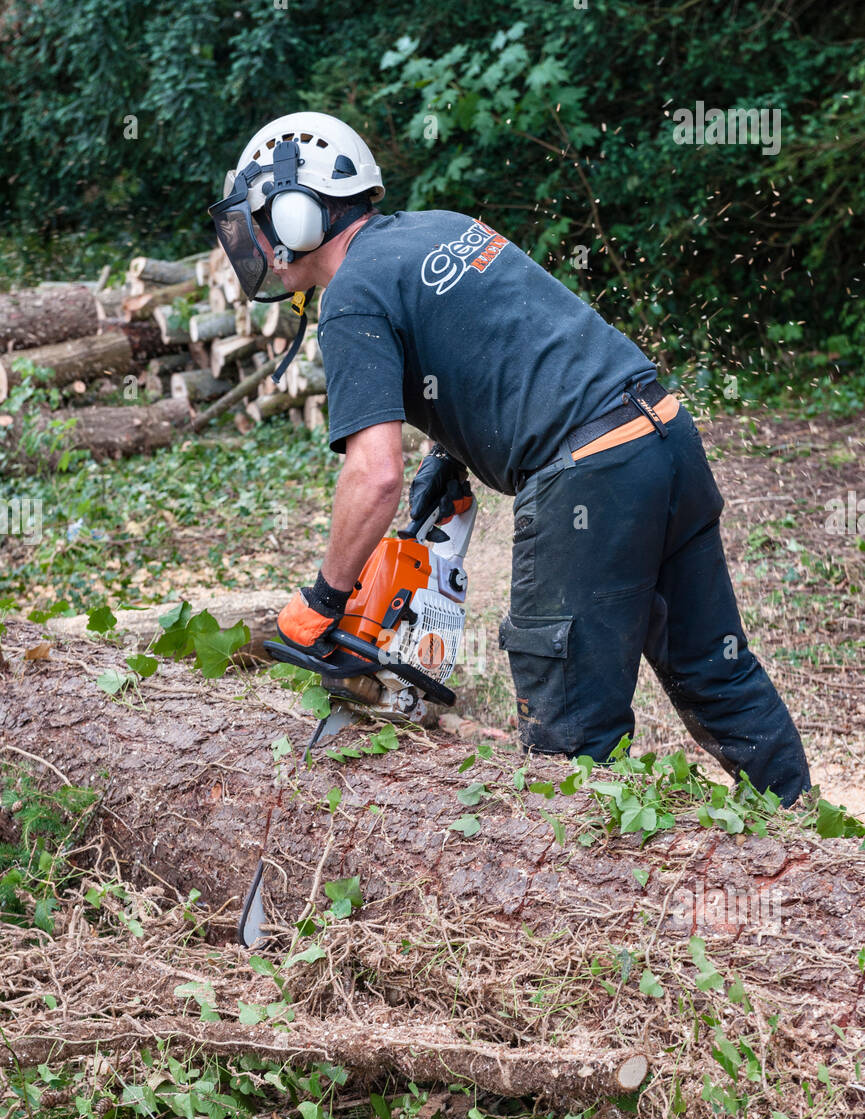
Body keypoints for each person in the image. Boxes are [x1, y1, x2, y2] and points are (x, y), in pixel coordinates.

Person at [210, 111, 810, 806]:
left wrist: (323, 600)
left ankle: (581, 903)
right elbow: (509, 345)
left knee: (567, 736)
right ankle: (810, 841)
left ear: (295, 212)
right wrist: (451, 449)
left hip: (591, 474)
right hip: (662, 432)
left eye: (257, 217)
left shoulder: (350, 296)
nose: (253, 239)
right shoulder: (438, 226)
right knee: (715, 669)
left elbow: (373, 475)